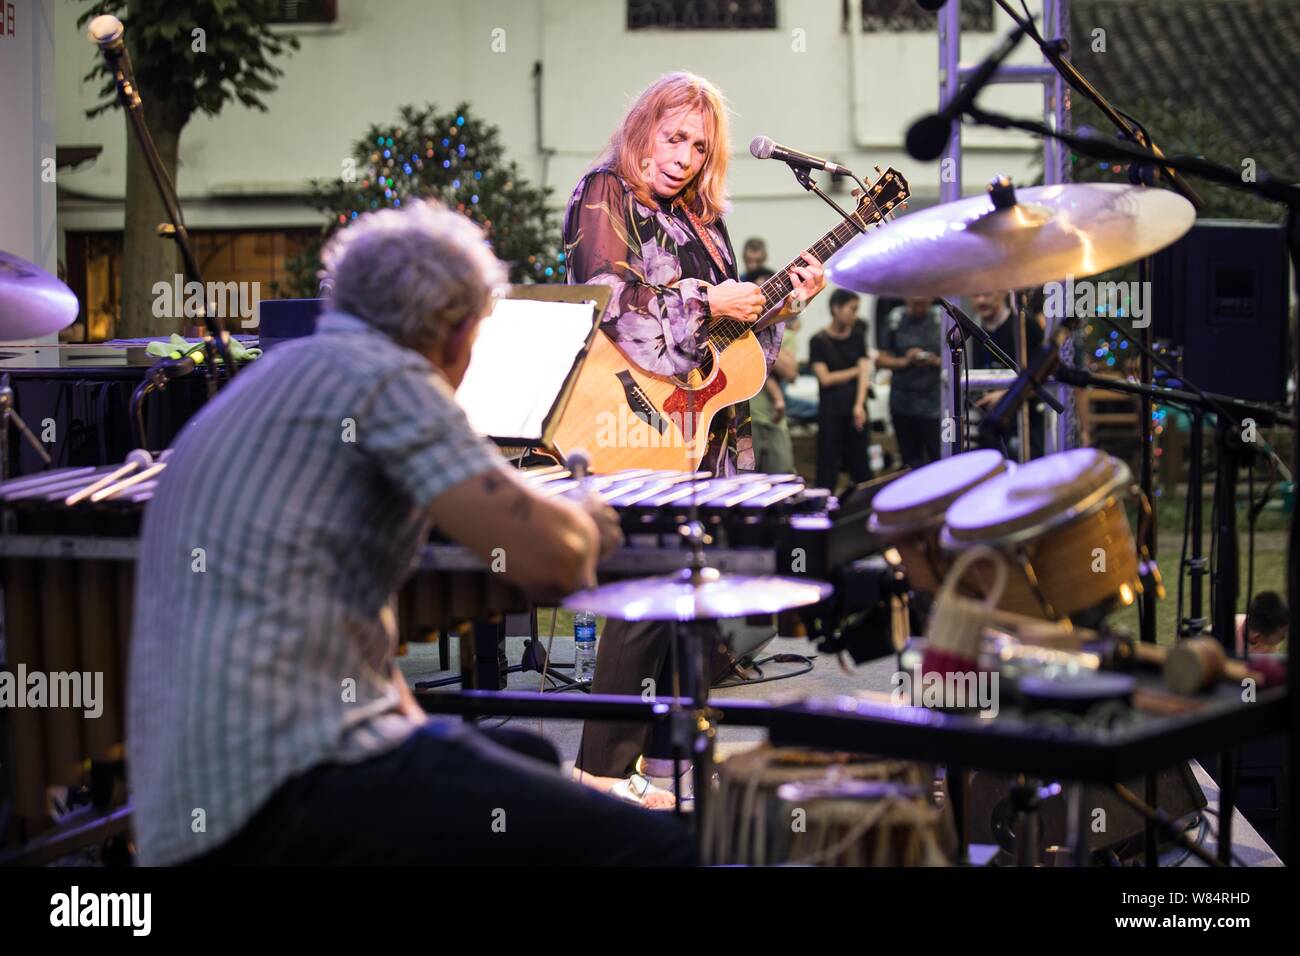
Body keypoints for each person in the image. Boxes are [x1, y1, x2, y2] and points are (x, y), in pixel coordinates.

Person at [127, 200, 697, 866]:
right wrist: (589, 527)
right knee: (657, 848)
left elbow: (357, 656)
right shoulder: (384, 377)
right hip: (283, 793)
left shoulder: (274, 379)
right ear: (455, 331)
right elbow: (554, 563)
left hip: (190, 801)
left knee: (531, 757)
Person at [562, 72, 825, 806]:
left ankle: (673, 776)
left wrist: (777, 307)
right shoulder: (604, 192)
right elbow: (613, 302)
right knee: (641, 602)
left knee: (694, 608)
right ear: (645, 126)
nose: (683, 156)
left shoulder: (707, 225)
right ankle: (598, 779)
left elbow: (730, 356)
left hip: (703, 437)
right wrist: (710, 297)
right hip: (630, 420)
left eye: (699, 146)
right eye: (674, 136)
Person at [968, 289, 1045, 459]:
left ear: (1002, 292)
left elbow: (1042, 374)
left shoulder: (1026, 325)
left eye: (987, 294)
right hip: (991, 426)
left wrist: (1005, 396)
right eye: (975, 295)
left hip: (1026, 424)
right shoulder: (975, 330)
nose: (981, 300)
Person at [809, 288, 873, 493]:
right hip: (831, 411)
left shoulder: (857, 336)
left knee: (861, 465)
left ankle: (862, 510)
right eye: (852, 309)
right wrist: (856, 370)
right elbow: (826, 378)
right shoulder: (818, 341)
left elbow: (865, 375)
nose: (855, 315)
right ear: (836, 309)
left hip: (855, 409)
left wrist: (859, 405)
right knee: (827, 466)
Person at [877, 297, 943, 471]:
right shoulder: (895, 319)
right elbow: (881, 359)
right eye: (914, 304)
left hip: (933, 403)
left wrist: (933, 360)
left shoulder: (940, 318)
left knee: (937, 458)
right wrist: (906, 360)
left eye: (923, 303)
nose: (919, 308)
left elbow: (957, 359)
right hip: (903, 402)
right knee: (909, 462)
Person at [1235, 591, 1289, 657]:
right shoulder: (1227, 633)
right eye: (1281, 638)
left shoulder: (1268, 644)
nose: (1285, 637)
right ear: (1257, 637)